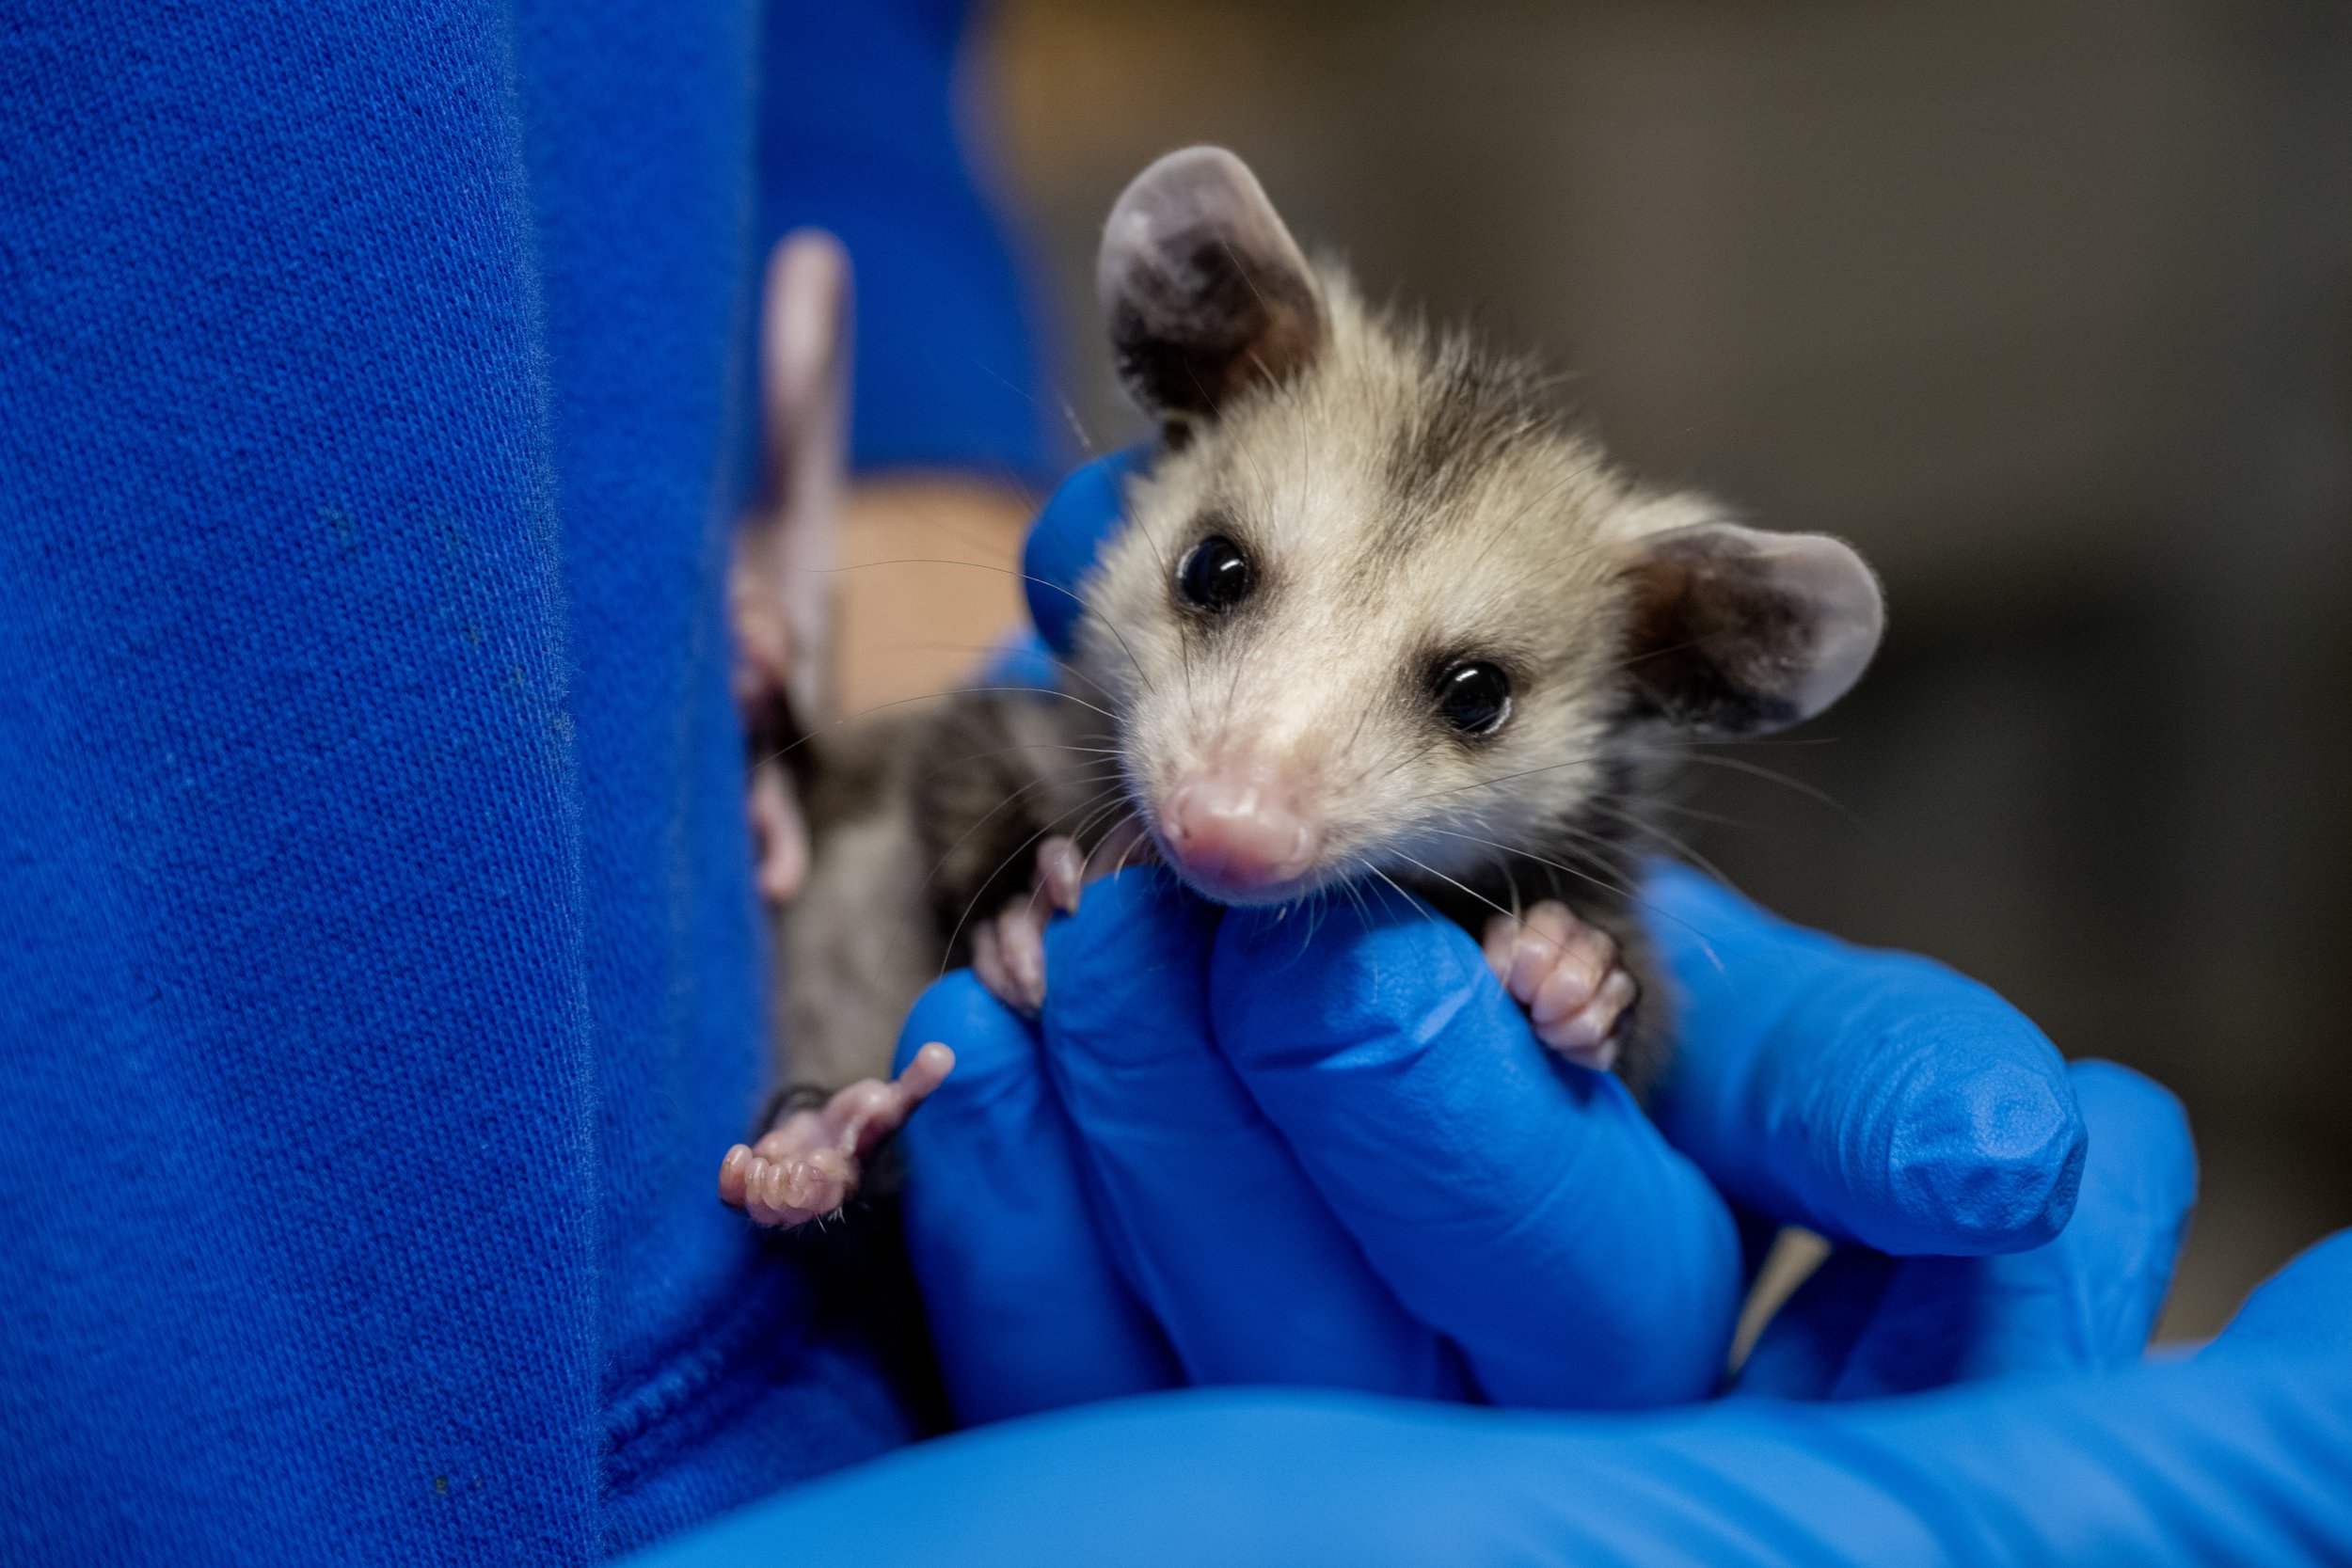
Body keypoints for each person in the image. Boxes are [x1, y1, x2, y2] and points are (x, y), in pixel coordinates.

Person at [1, 7, 2343, 1568]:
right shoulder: (1061, 754)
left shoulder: (1541, 882)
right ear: (1166, 433)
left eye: (1450, 697)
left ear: (1659, 683)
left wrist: (1575, 990)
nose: (1245, 780)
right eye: (1221, 580)